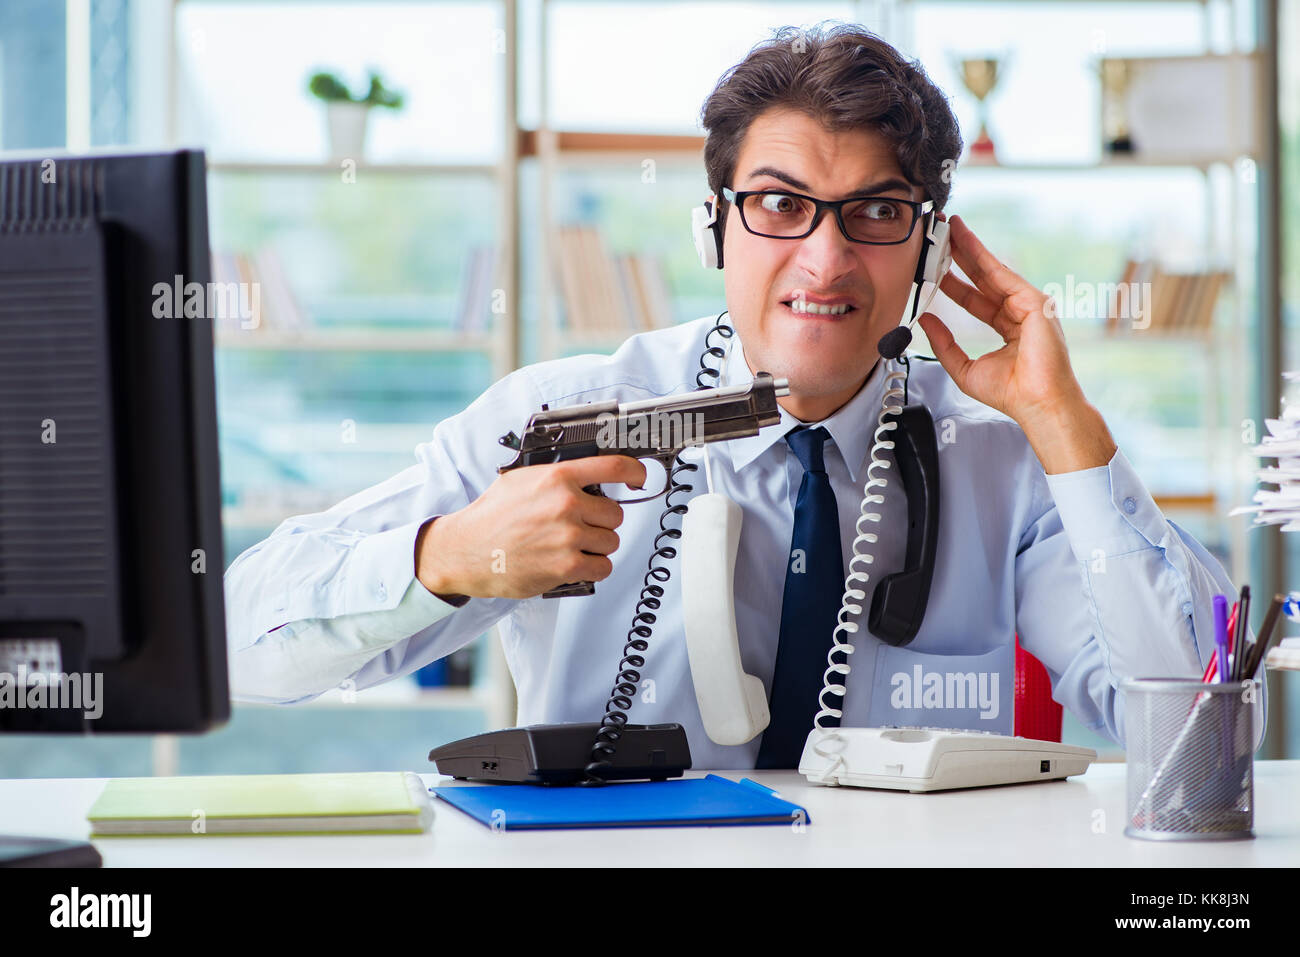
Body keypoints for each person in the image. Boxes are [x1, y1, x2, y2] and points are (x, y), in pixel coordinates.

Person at [224, 22, 1265, 768]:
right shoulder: (560, 415)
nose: (825, 260)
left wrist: (1068, 432)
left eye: (875, 211)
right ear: (712, 229)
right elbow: (240, 642)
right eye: (777, 205)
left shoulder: (1003, 454)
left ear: (931, 244)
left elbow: (1197, 744)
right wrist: (445, 559)